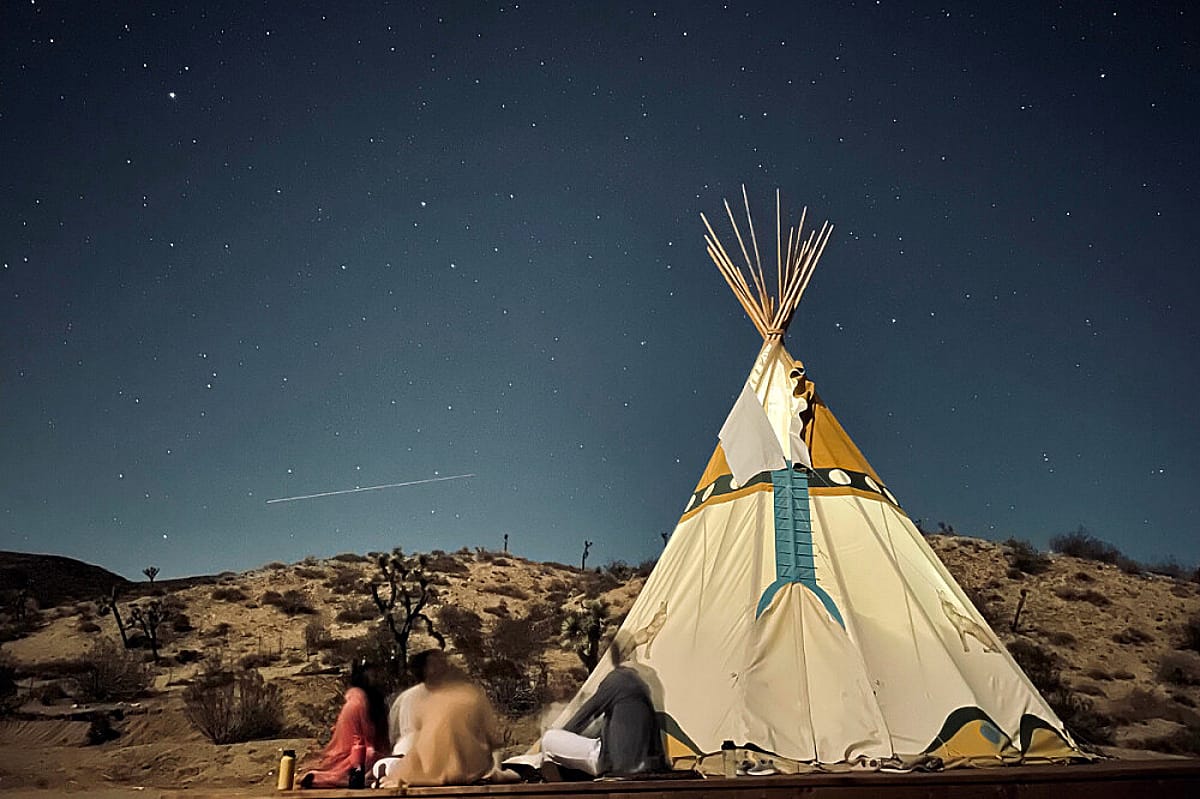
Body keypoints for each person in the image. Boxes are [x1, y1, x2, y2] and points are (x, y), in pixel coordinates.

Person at [380, 651, 513, 787]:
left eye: (443, 663)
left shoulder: (469, 696)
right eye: (436, 664)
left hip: (463, 770)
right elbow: (418, 745)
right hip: (442, 768)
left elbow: (493, 742)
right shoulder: (413, 698)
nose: (443, 666)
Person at [542, 633, 665, 777]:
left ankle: (545, 773)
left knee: (549, 739)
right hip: (643, 763)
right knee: (552, 754)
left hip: (615, 762)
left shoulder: (617, 679)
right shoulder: (641, 683)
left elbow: (584, 716)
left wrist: (563, 734)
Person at [299, 662, 390, 789]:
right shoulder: (356, 703)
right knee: (369, 755)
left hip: (366, 755)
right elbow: (360, 743)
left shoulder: (374, 701)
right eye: (373, 674)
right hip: (353, 756)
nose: (377, 677)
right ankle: (329, 779)